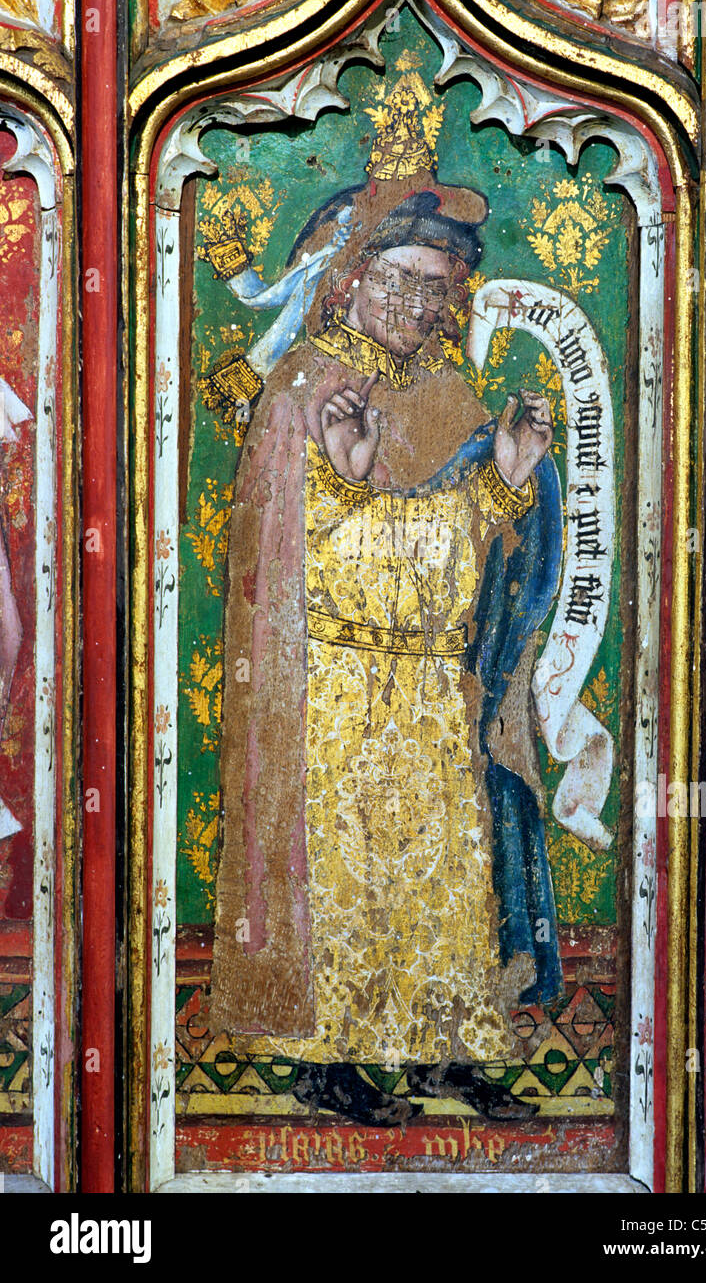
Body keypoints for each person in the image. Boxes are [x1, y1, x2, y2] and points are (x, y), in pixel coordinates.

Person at [207, 98, 565, 1122]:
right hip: (334, 677)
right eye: (401, 281)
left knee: (441, 863)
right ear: (351, 279)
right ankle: (330, 1058)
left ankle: (441, 1050)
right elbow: (291, 558)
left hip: (425, 677)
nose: (419, 305)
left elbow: (470, 548)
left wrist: (504, 484)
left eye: (438, 288)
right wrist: (352, 481)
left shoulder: (447, 392)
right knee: (353, 866)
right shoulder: (302, 390)